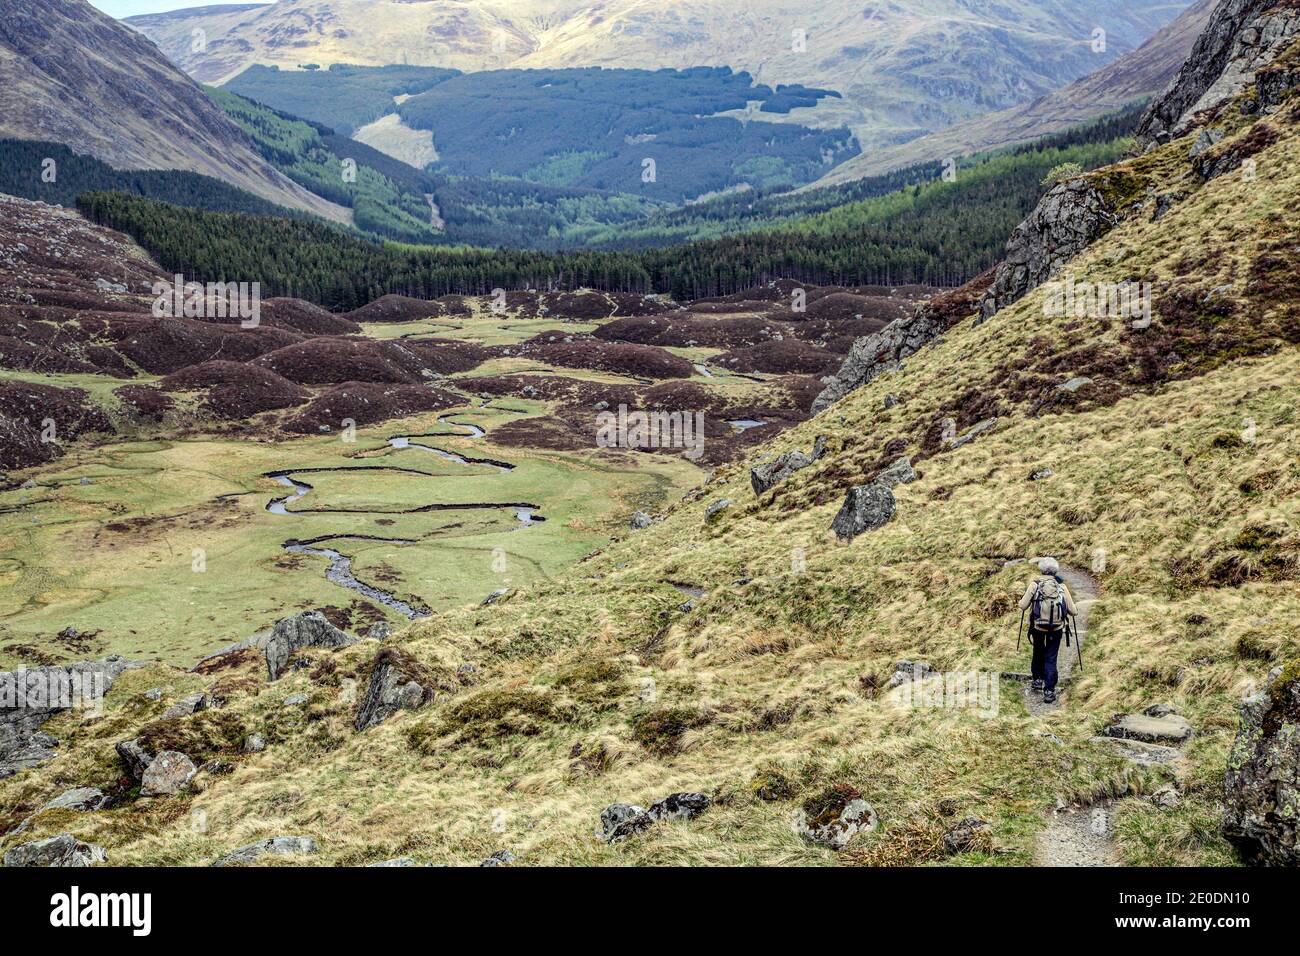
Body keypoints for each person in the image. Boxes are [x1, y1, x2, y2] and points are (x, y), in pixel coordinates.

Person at [1018, 557, 1077, 703]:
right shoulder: (1061, 587)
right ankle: (1049, 691)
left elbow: (1023, 606)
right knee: (1051, 657)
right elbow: (1073, 611)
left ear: (1041, 569)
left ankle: (1037, 680)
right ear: (1055, 571)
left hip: (1038, 626)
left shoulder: (1035, 585)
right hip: (1056, 628)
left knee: (1038, 651)